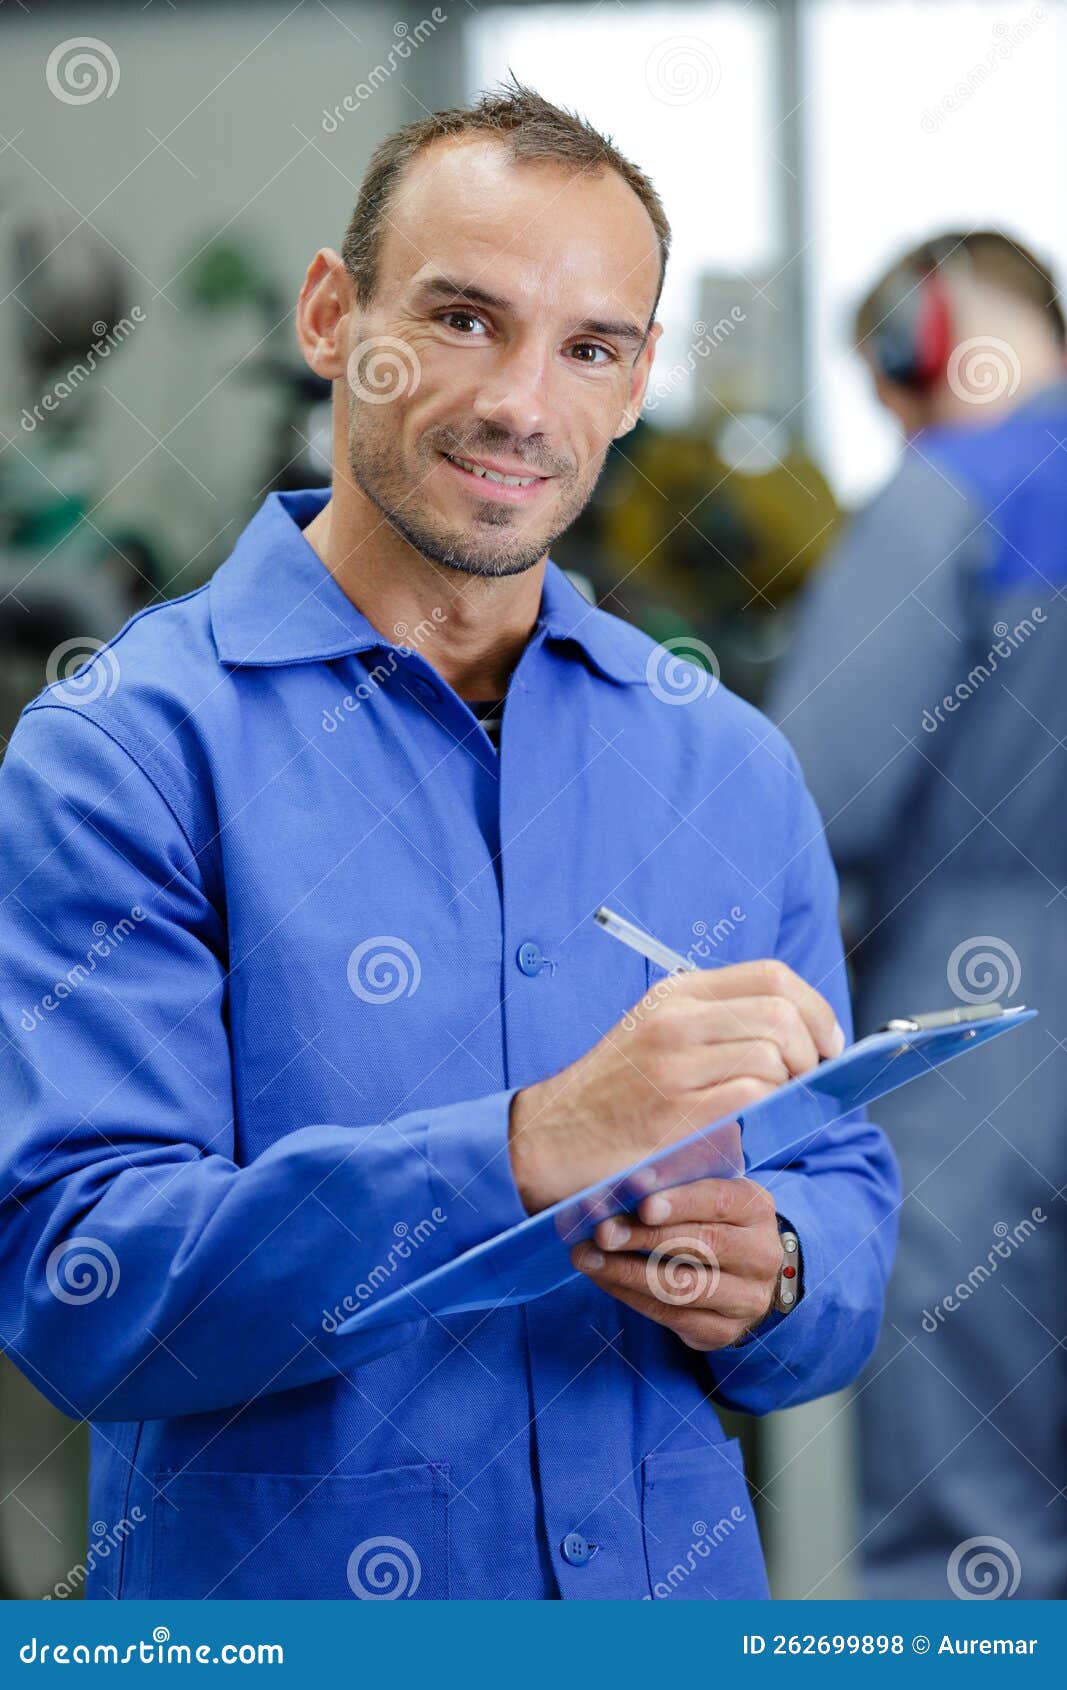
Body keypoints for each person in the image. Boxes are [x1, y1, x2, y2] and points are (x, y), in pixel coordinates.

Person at [0, 81, 897, 1602]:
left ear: (633, 386)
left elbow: (846, 1188)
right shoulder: (124, 754)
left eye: (588, 348)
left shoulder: (726, 762)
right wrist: (530, 1145)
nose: (520, 403)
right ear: (333, 316)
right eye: (467, 318)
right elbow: (84, 1285)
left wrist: (786, 1270)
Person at [768, 231, 1067, 1598]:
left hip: (988, 1030)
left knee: (975, 1543)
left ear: (924, 347)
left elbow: (822, 797)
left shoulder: (954, 493)